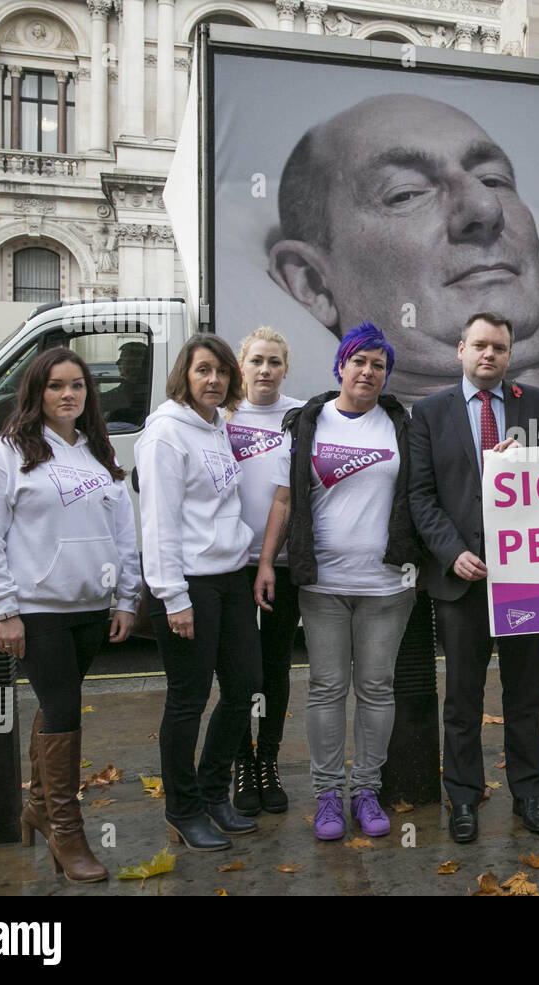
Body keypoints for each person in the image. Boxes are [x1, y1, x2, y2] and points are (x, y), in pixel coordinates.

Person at [0, 347, 141, 883]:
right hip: (37, 610)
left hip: (92, 605)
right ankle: (66, 830)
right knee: (64, 709)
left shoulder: (96, 453)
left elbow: (124, 533)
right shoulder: (6, 454)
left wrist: (128, 597)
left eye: (78, 386)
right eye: (56, 385)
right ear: (36, 392)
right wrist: (4, 608)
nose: (68, 394)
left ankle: (39, 806)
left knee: (55, 704)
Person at [269, 95, 539, 405]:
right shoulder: (318, 447)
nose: (486, 206)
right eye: (405, 193)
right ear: (314, 283)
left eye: (493, 179)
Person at [254, 323, 422, 841]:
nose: (368, 371)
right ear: (341, 367)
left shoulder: (400, 423)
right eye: (359, 361)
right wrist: (266, 563)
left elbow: (428, 487)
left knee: (376, 687)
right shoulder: (308, 421)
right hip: (322, 582)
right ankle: (328, 795)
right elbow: (283, 498)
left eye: (378, 364)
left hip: (388, 585)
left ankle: (365, 790)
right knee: (327, 689)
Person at [408, 311, 539, 844]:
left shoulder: (537, 405)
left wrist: (530, 465)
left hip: (524, 579)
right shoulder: (429, 412)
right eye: (480, 346)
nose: (489, 355)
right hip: (461, 580)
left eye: (499, 347)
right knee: (462, 699)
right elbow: (420, 496)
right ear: (460, 350)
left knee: (525, 696)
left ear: (509, 354)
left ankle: (529, 794)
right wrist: (451, 553)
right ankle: (465, 799)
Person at [137, 335, 261, 852]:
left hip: (231, 578)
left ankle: (213, 794)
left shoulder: (216, 428)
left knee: (245, 687)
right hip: (188, 583)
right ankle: (183, 810)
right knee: (188, 700)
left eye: (222, 372)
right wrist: (173, 597)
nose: (214, 380)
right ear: (184, 376)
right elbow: (158, 521)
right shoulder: (165, 434)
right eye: (202, 370)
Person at [226, 327, 305, 817]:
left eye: (274, 362)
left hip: (281, 564)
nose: (265, 370)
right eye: (257, 361)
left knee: (275, 666)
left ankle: (269, 761)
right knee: (238, 670)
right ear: (242, 366)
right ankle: (241, 762)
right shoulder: (219, 417)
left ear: (285, 369)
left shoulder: (299, 416)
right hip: (231, 565)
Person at [98, 340, 150, 427]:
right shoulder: (132, 384)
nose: (117, 362)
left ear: (136, 363)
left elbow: (110, 399)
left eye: (122, 359)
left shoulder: (137, 389)